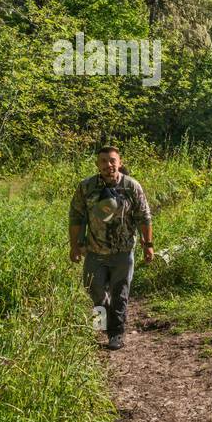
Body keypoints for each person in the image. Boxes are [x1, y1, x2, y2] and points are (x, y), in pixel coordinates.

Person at [69, 146, 153, 350]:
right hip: (94, 250)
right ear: (98, 164)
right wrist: (75, 246)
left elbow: (144, 216)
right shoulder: (86, 187)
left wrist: (148, 245)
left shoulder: (131, 186)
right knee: (94, 289)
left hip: (123, 252)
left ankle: (116, 333)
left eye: (112, 160)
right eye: (104, 161)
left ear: (120, 162)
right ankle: (101, 325)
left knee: (120, 292)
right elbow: (76, 217)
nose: (108, 165)